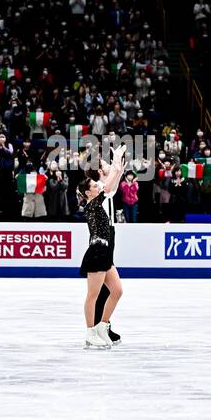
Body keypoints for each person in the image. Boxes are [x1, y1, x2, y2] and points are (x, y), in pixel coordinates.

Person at [78, 143, 125, 349]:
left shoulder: (98, 198)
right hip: (97, 251)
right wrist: (115, 162)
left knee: (117, 290)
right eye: (94, 186)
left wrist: (117, 164)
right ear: (89, 193)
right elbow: (108, 185)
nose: (98, 186)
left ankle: (102, 326)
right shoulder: (93, 203)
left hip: (105, 250)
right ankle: (90, 332)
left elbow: (111, 182)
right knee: (93, 295)